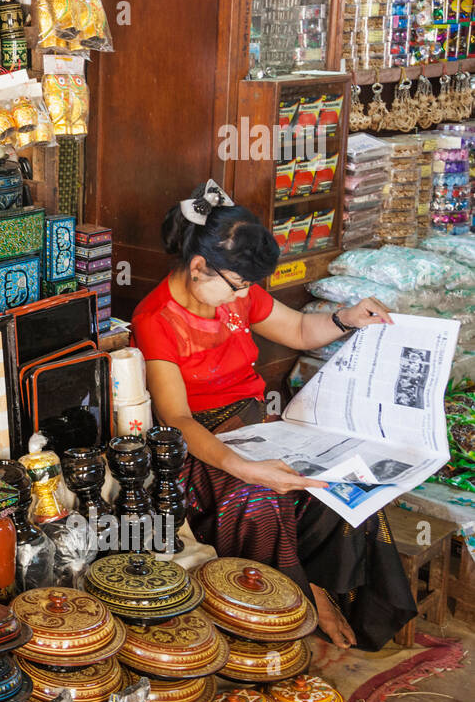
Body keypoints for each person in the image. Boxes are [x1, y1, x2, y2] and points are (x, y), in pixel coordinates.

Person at [131, 180, 416, 651]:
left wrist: (346, 319)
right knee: (258, 498)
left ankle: (335, 594)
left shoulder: (236, 294)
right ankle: (292, 612)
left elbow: (301, 329)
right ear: (198, 267)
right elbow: (178, 419)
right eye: (237, 286)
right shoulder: (155, 319)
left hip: (257, 426)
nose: (241, 297)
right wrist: (242, 466)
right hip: (200, 445)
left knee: (346, 479)